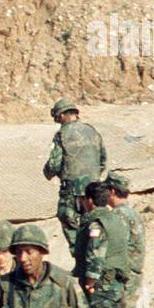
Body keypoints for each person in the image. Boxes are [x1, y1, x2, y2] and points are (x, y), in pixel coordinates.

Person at [72, 180, 131, 308]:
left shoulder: (97, 224)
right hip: (116, 283)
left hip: (102, 285)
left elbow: (96, 257)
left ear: (89, 200)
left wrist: (89, 282)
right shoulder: (117, 220)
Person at [42, 99, 106, 250]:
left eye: (58, 118)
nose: (59, 122)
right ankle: (94, 256)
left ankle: (80, 259)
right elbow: (103, 160)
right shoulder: (93, 131)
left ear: (63, 115)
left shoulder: (62, 134)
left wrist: (47, 172)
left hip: (72, 191)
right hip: (94, 191)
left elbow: (54, 164)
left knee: (67, 219)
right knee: (94, 225)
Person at [105, 171, 145, 308]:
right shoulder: (133, 215)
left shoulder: (118, 217)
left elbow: (115, 249)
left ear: (112, 191)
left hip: (123, 277)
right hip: (134, 275)